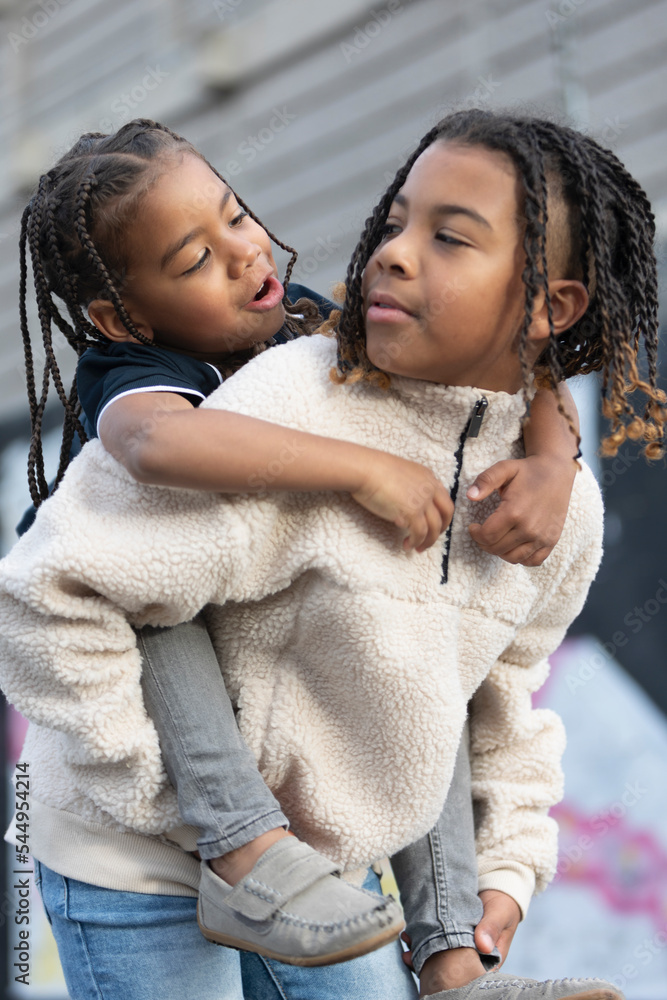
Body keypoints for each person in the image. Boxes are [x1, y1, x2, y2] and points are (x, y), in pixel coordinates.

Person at [2, 109, 662, 1000]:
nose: (243, 254)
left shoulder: (327, 338)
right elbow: (154, 458)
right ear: (119, 316)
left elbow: (521, 368)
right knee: (168, 611)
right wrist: (364, 472)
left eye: (236, 217)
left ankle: (450, 963)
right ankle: (242, 844)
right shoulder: (171, 383)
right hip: (141, 803)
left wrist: (549, 459)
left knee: (422, 676)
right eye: (193, 259)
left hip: (313, 847)